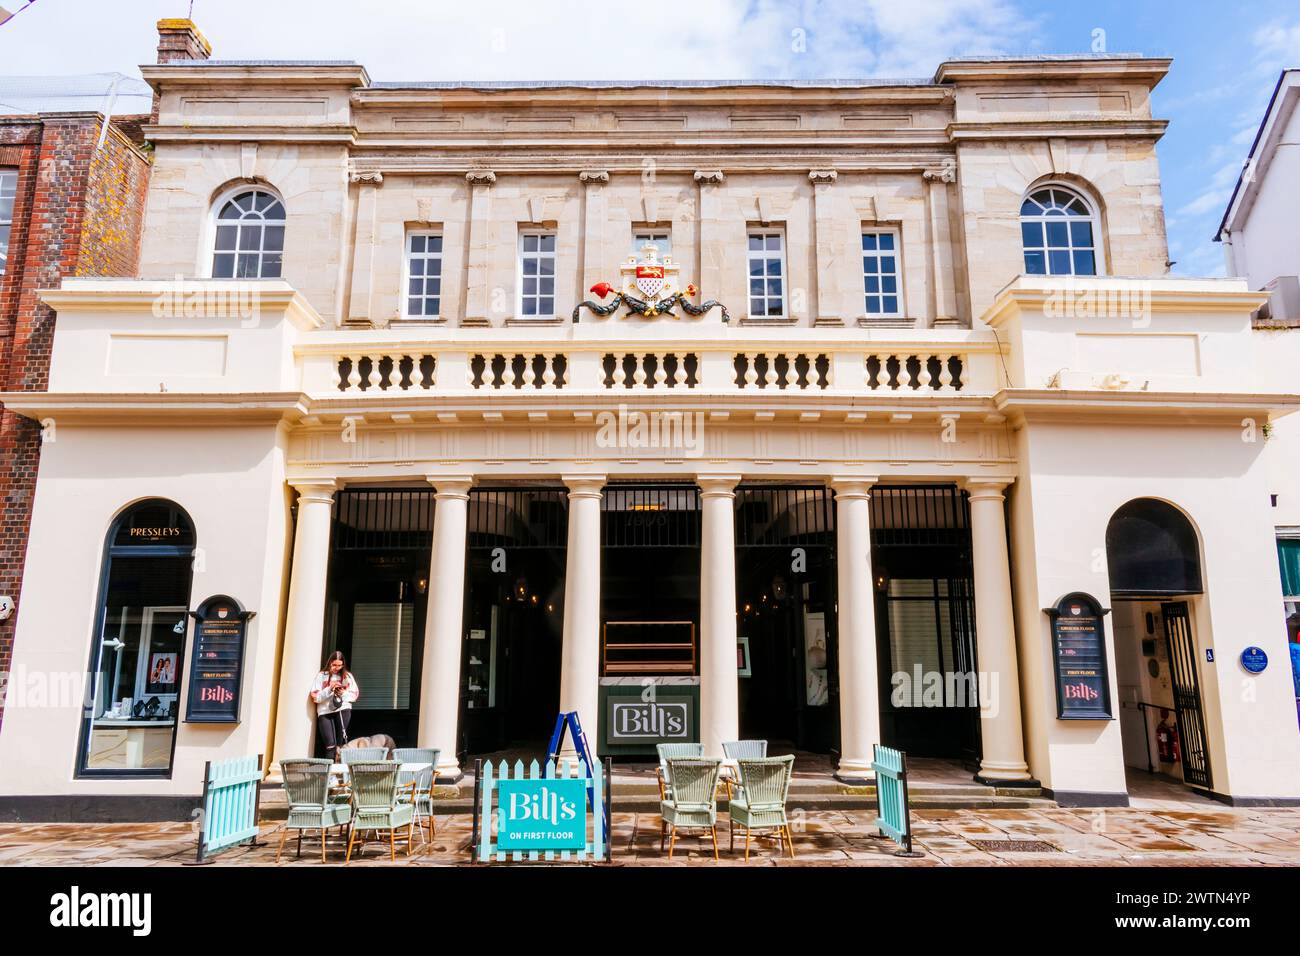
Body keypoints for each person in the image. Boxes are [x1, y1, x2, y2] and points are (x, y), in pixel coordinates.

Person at [311, 651, 360, 760]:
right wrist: (329, 688)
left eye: (339, 665)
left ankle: (338, 773)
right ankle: (330, 775)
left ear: (343, 664)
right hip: (325, 711)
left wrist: (343, 692)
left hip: (343, 710)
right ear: (329, 663)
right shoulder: (321, 675)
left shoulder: (347, 676)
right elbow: (315, 697)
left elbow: (355, 696)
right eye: (334, 665)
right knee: (330, 745)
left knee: (339, 744)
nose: (337, 668)